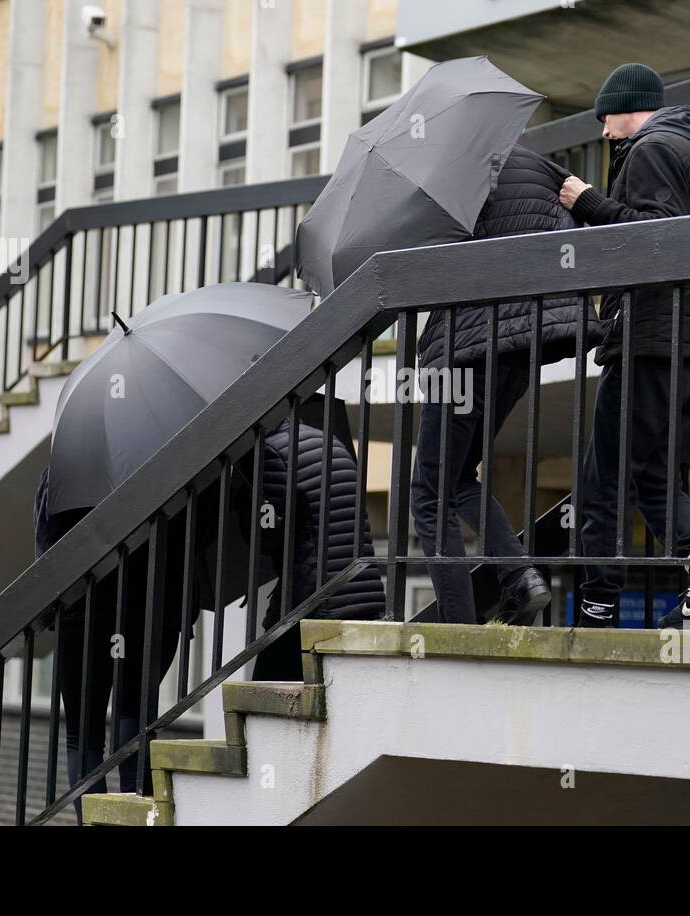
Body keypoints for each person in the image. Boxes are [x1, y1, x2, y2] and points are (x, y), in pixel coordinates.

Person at [558, 62, 690, 631]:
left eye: (605, 120)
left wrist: (586, 202)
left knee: (604, 476)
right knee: (652, 469)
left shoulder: (653, 148)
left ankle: (598, 605)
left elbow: (653, 238)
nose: (605, 133)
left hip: (652, 333)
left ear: (626, 107)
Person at [411, 144, 603, 626]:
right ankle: (519, 576)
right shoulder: (542, 166)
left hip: (465, 343)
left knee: (428, 492)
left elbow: (432, 260)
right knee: (458, 478)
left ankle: (457, 624)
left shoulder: (455, 172)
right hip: (522, 347)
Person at [33, 466, 201, 809]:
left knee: (82, 737)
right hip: (151, 606)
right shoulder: (163, 455)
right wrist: (186, 604)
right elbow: (195, 533)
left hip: (83, 610)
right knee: (134, 718)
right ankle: (135, 813)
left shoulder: (63, 469)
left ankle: (96, 821)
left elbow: (47, 547)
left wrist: (51, 610)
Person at [254, 402, 386, 680]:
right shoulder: (327, 441)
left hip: (313, 602)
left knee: (264, 690)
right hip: (362, 594)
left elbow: (268, 536)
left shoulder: (271, 453)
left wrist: (246, 503)